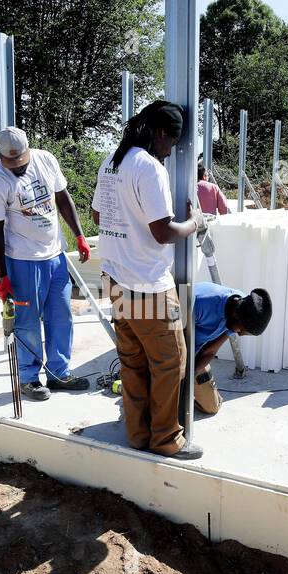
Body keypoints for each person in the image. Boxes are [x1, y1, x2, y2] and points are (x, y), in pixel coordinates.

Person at [92, 101, 208, 460]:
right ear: (159, 133)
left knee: (133, 360)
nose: (172, 151)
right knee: (171, 361)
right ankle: (166, 440)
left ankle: (138, 433)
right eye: (171, 142)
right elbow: (162, 231)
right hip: (149, 288)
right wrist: (196, 224)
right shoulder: (149, 168)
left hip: (114, 282)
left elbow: (97, 214)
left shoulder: (112, 160)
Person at [0, 127, 92, 401]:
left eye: (21, 162)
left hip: (55, 257)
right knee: (27, 322)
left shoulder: (45, 160)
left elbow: (62, 199)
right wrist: (2, 275)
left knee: (61, 316)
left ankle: (58, 373)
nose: (18, 168)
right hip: (22, 261)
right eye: (12, 164)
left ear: (28, 151)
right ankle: (29, 378)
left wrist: (79, 235)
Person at [190, 283, 273, 414]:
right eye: (241, 330)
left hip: (195, 352)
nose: (239, 333)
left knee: (211, 406)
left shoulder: (241, 308)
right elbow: (172, 341)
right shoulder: (198, 302)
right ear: (235, 315)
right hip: (173, 347)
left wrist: (190, 375)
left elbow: (210, 351)